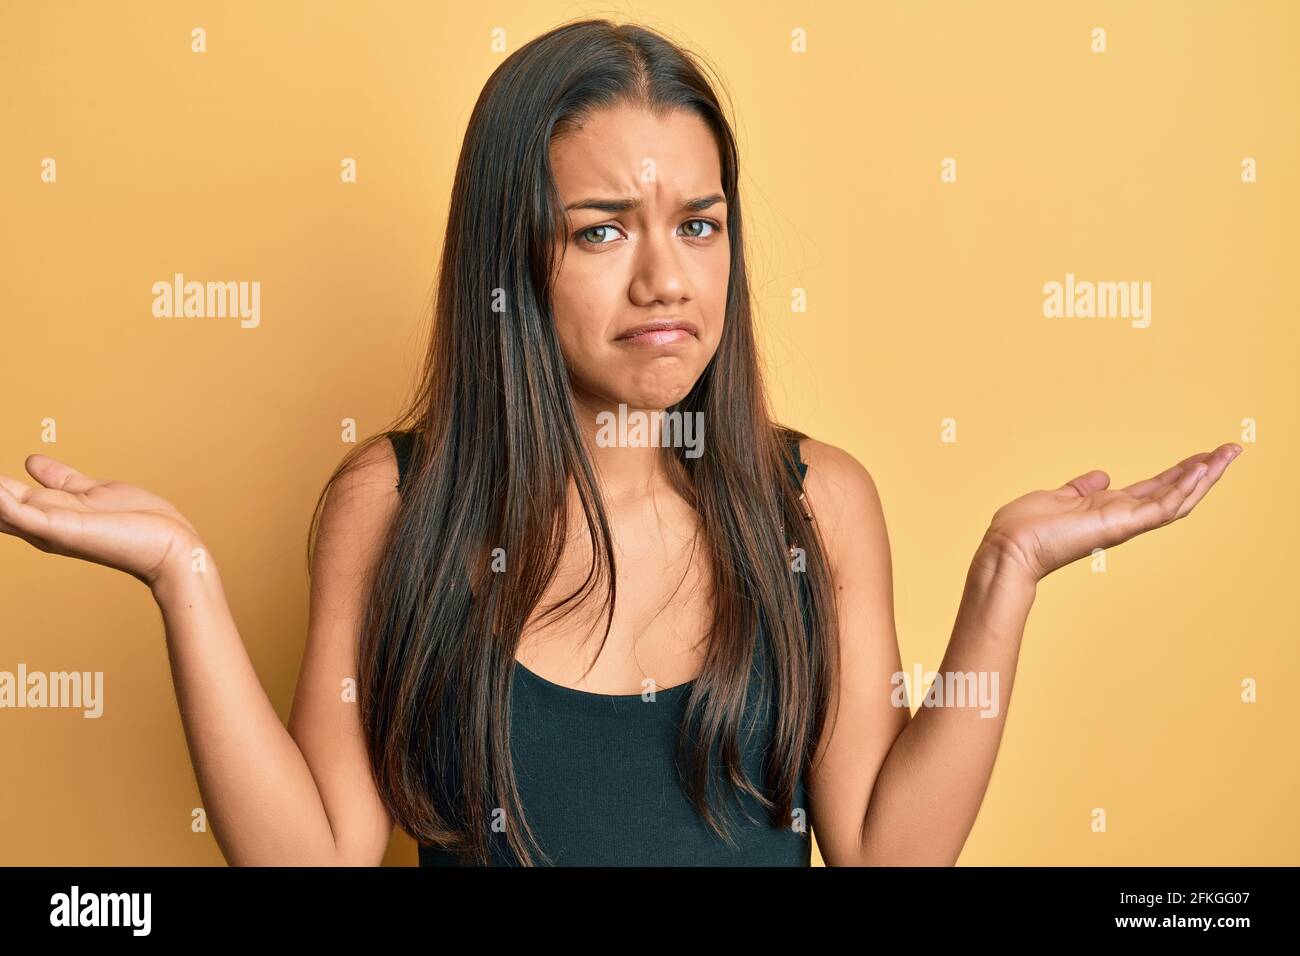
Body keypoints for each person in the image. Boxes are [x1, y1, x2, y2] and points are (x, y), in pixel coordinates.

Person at [0, 18, 1241, 867]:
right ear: (513, 254)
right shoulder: (394, 500)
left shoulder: (816, 502)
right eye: (601, 230)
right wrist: (183, 574)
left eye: (698, 224)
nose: (665, 278)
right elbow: (316, 850)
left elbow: (883, 848)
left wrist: (1003, 576)